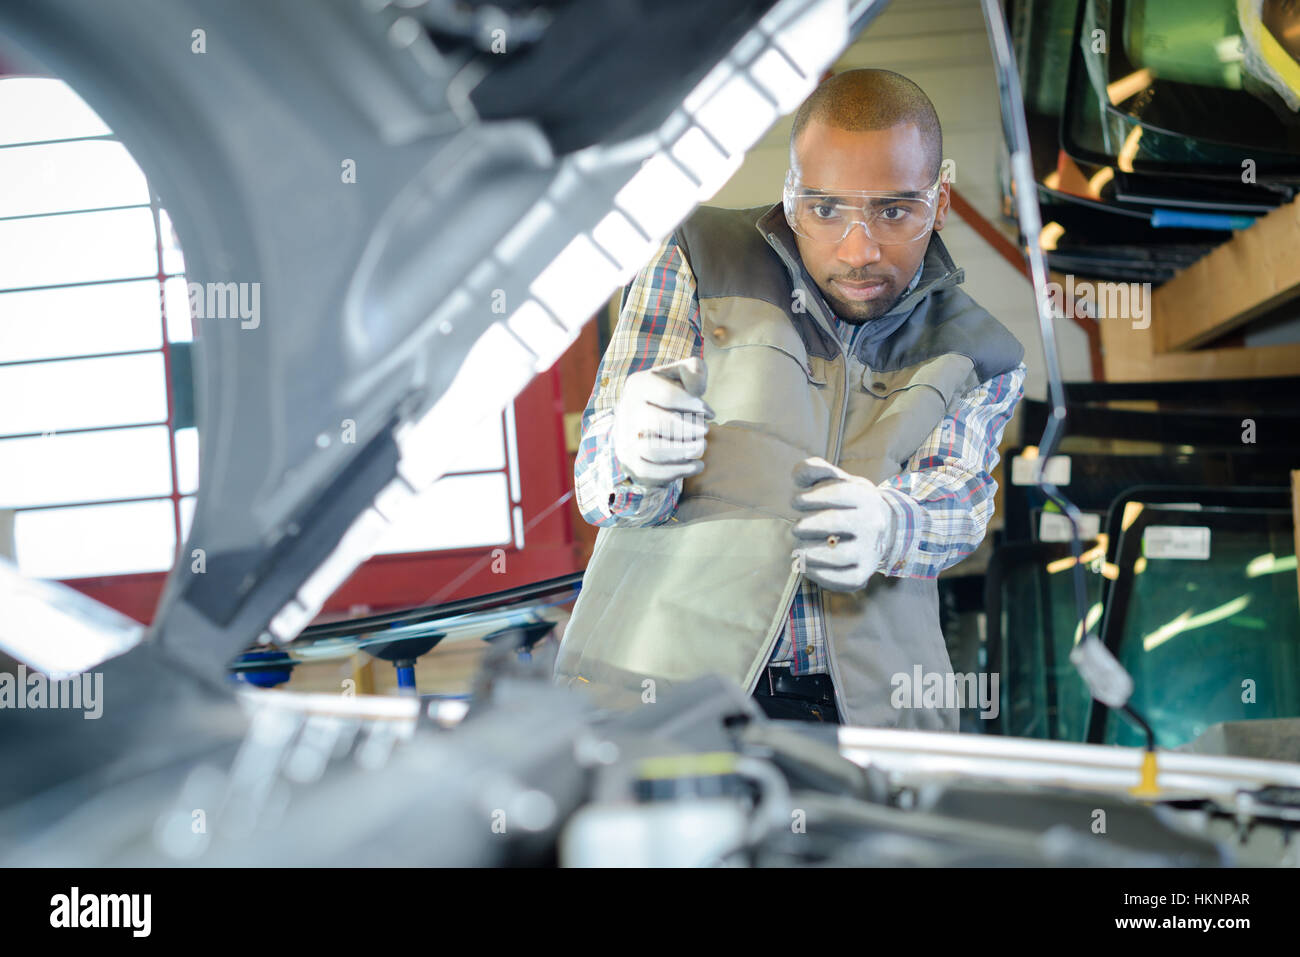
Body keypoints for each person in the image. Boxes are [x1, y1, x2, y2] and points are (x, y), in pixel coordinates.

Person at [553, 69, 1026, 730]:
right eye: (826, 209)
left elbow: (959, 504)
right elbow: (602, 486)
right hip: (660, 697)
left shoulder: (983, 351)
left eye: (894, 210)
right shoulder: (696, 256)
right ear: (791, 193)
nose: (858, 250)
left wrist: (890, 525)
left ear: (940, 200)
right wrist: (633, 451)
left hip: (867, 721)